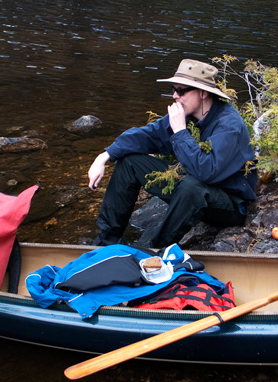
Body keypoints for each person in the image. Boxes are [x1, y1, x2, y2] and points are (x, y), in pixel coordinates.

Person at [87, 58, 257, 248]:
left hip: (229, 204)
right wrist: (104, 156)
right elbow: (147, 135)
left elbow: (206, 172)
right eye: (174, 90)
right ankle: (108, 239)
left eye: (181, 91)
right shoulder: (189, 115)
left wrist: (180, 132)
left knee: (192, 186)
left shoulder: (229, 125)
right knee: (130, 163)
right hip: (195, 189)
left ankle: (157, 249)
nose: (175, 96)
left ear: (202, 93)